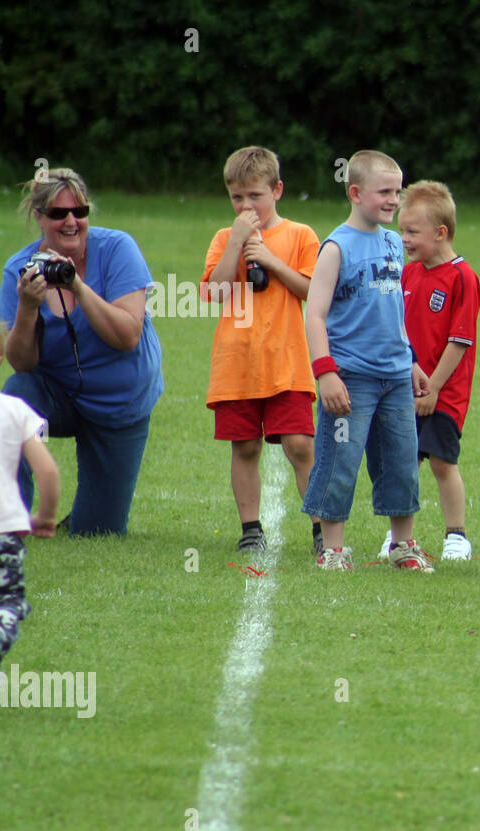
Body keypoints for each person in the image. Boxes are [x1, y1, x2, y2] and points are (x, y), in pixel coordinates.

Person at [0, 168, 163, 536]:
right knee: (14, 400)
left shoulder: (118, 248)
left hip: (121, 402)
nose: (72, 221)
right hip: (57, 395)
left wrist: (78, 286)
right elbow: (22, 363)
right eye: (59, 214)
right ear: (40, 218)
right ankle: (10, 520)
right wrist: (27, 307)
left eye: (80, 211)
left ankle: (88, 512)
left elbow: (127, 336)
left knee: (97, 532)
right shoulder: (18, 271)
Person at [302, 150, 433, 572]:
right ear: (356, 193)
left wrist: (410, 360)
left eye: (398, 191)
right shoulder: (337, 247)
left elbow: (393, 311)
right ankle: (333, 549)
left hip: (395, 376)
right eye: (385, 192)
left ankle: (403, 545)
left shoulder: (394, 242)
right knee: (340, 459)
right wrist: (326, 373)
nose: (394, 200)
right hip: (351, 376)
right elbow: (314, 314)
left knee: (401, 462)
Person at [202, 146, 322, 555]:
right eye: (237, 197)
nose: (246, 204)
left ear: (277, 191)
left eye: (255, 195)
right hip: (237, 362)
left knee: (300, 444)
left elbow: (314, 291)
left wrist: (270, 260)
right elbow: (215, 293)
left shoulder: (301, 235)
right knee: (246, 445)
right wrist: (236, 242)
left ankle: (322, 528)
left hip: (286, 360)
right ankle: (251, 527)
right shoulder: (224, 237)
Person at [376, 180, 480, 564]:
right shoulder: (408, 274)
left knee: (441, 460)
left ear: (440, 233)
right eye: (402, 230)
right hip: (405, 387)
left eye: (411, 232)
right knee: (403, 460)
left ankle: (457, 534)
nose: (403, 239)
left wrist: (433, 388)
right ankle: (399, 537)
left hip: (444, 392)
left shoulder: (461, 277)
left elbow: (459, 340)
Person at [0, 319, 60, 675]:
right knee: (7, 603)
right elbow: (47, 472)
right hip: (4, 532)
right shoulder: (15, 411)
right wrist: (45, 517)